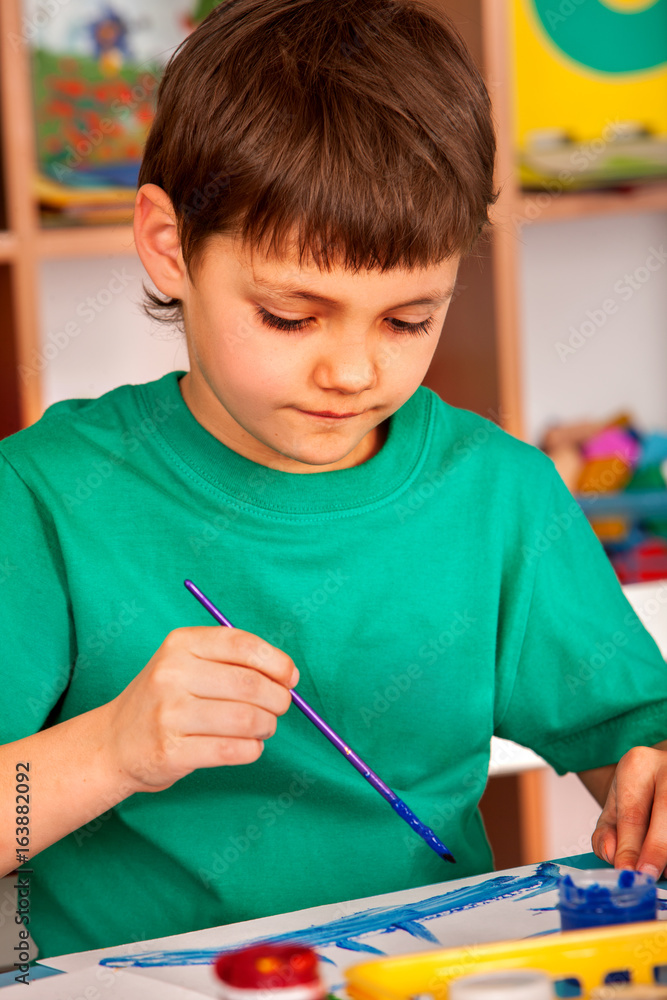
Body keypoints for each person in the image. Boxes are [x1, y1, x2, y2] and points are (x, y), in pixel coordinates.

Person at [1, 0, 666, 962]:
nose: (353, 372)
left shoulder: (496, 493)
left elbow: (630, 740)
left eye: (406, 320)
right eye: (290, 315)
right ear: (168, 245)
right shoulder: (43, 497)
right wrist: (108, 750)